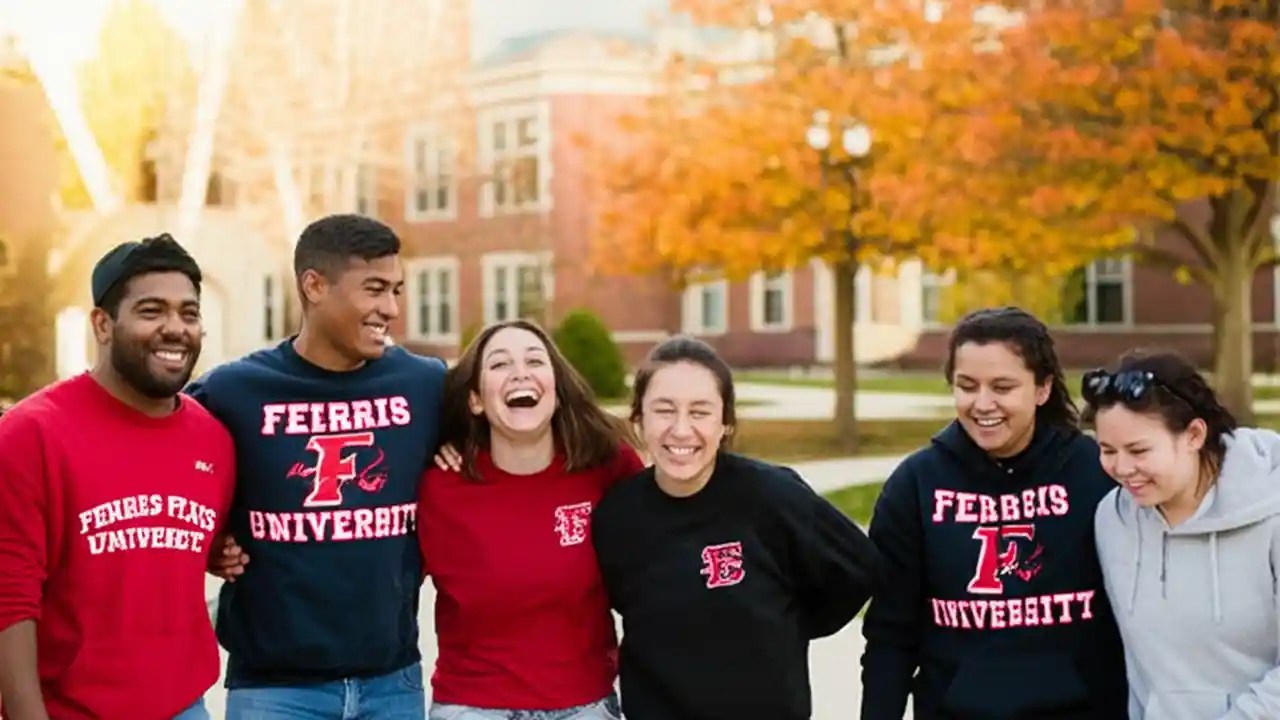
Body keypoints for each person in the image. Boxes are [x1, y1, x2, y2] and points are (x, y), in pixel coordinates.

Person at [187, 214, 446, 719]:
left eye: (396, 290)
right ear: (314, 285)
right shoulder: (233, 392)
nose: (390, 308)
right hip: (275, 689)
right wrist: (209, 540)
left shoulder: (426, 386)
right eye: (374, 289)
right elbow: (158, 464)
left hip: (392, 681)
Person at [0, 235, 235, 720]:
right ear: (103, 325)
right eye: (152, 311)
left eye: (189, 314)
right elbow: (9, 598)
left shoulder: (213, 440)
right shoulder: (30, 434)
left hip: (185, 708)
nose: (175, 328)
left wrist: (224, 552)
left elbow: (195, 545)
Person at [591, 335, 883, 719]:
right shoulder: (618, 515)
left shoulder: (771, 496)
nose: (681, 430)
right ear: (638, 419)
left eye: (700, 412)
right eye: (664, 410)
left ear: (725, 422)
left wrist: (789, 627)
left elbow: (859, 569)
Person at [859, 306, 1128, 720]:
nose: (983, 404)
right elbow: (890, 634)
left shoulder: (1097, 474)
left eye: (1003, 387)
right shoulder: (915, 485)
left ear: (1042, 389)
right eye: (967, 386)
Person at [418, 319, 642, 719]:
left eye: (535, 360)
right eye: (500, 364)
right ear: (475, 401)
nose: (520, 372)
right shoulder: (439, 487)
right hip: (473, 706)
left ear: (556, 392)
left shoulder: (609, 467)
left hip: (584, 705)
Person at [1087, 350, 1280, 719]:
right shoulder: (1113, 519)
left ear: (1193, 434)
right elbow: (1142, 671)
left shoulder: (1272, 514)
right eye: (1107, 450)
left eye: (1139, 450)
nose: (1122, 468)